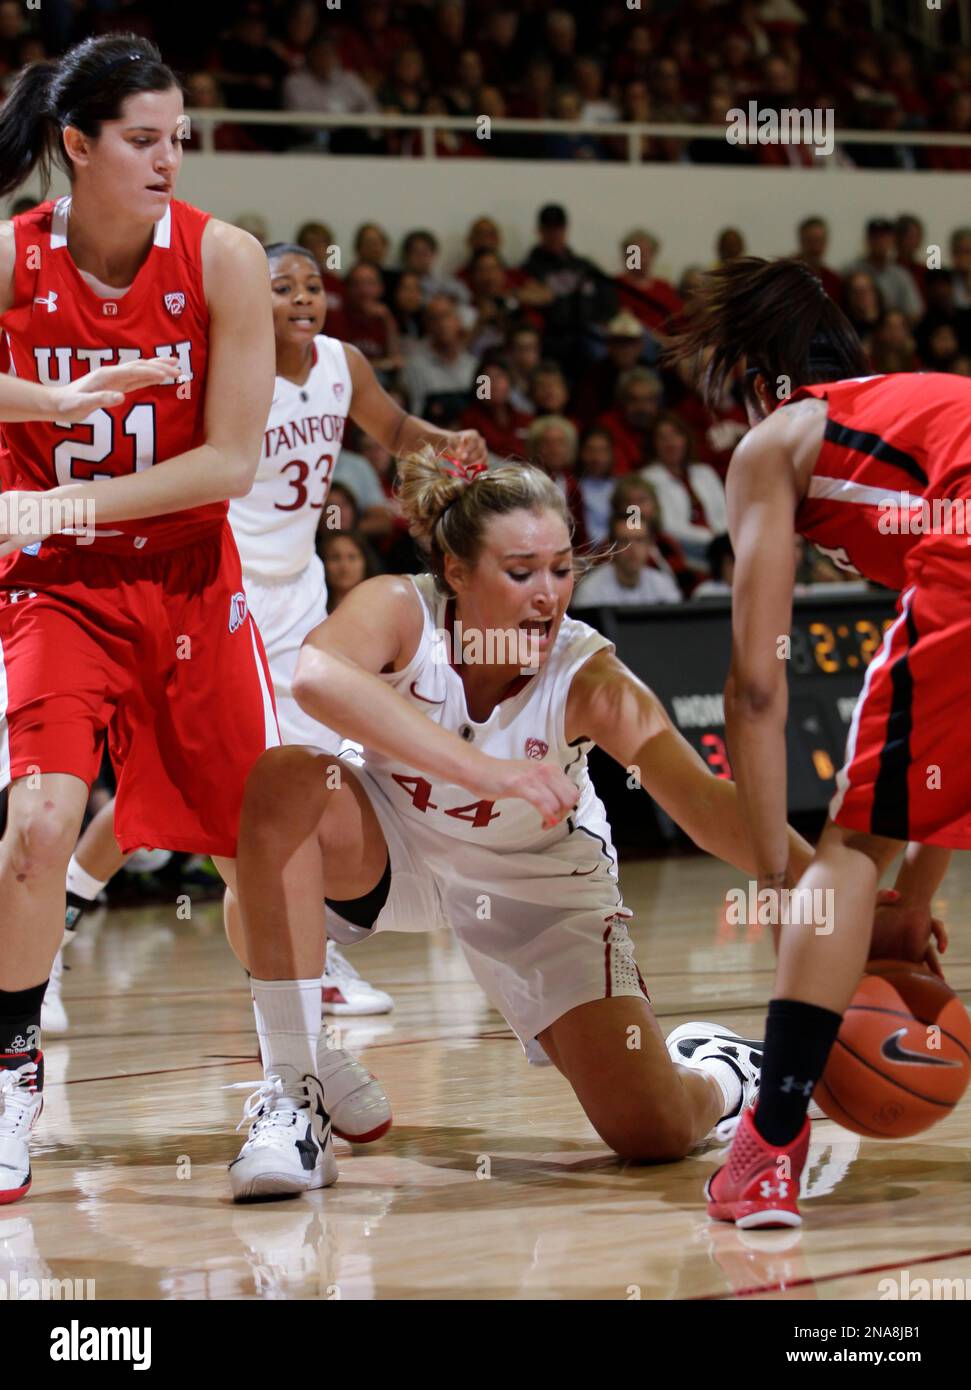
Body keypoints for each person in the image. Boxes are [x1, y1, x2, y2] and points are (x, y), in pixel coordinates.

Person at [226, 451, 844, 1200]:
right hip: (398, 850)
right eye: (521, 572)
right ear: (455, 572)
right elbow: (318, 676)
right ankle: (296, 1093)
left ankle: (718, 1068)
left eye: (561, 569)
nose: (547, 594)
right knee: (284, 783)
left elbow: (707, 805)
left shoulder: (588, 676)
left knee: (648, 1134)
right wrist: (481, 769)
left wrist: (845, 895)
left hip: (537, 885)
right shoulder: (400, 608)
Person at [53, 242, 488, 1051]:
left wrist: (445, 440)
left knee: (301, 791)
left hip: (301, 601)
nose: (301, 298)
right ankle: (54, 926)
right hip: (224, 599)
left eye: (312, 285)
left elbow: (392, 429)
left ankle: (308, 957)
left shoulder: (342, 363)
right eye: (280, 286)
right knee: (213, 793)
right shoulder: (227, 364)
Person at [0, 35, 279, 1204]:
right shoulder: (10, 259)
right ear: (77, 145)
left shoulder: (223, 258)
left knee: (252, 843)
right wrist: (46, 398)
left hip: (181, 577)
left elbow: (227, 459)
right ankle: (11, 1073)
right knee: (39, 826)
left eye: (178, 137)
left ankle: (293, 1080)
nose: (171, 159)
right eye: (143, 140)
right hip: (54, 585)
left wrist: (56, 492)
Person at [667, 256, 955, 1227]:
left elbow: (752, 686)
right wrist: (908, 902)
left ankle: (768, 1147)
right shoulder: (928, 403)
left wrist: (779, 880)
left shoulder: (779, 436)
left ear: (756, 375)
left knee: (845, 846)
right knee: (876, 846)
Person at [642, 414, 728, 567]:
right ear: (653, 444)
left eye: (676, 435)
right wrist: (713, 540)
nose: (670, 443)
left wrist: (724, 542)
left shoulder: (705, 472)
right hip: (683, 557)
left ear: (686, 439)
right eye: (662, 438)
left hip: (723, 553)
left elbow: (725, 513)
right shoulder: (648, 479)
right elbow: (666, 526)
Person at [572, 516, 681, 607]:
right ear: (612, 547)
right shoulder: (591, 591)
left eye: (639, 540)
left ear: (650, 545)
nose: (632, 549)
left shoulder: (664, 585)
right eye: (625, 541)